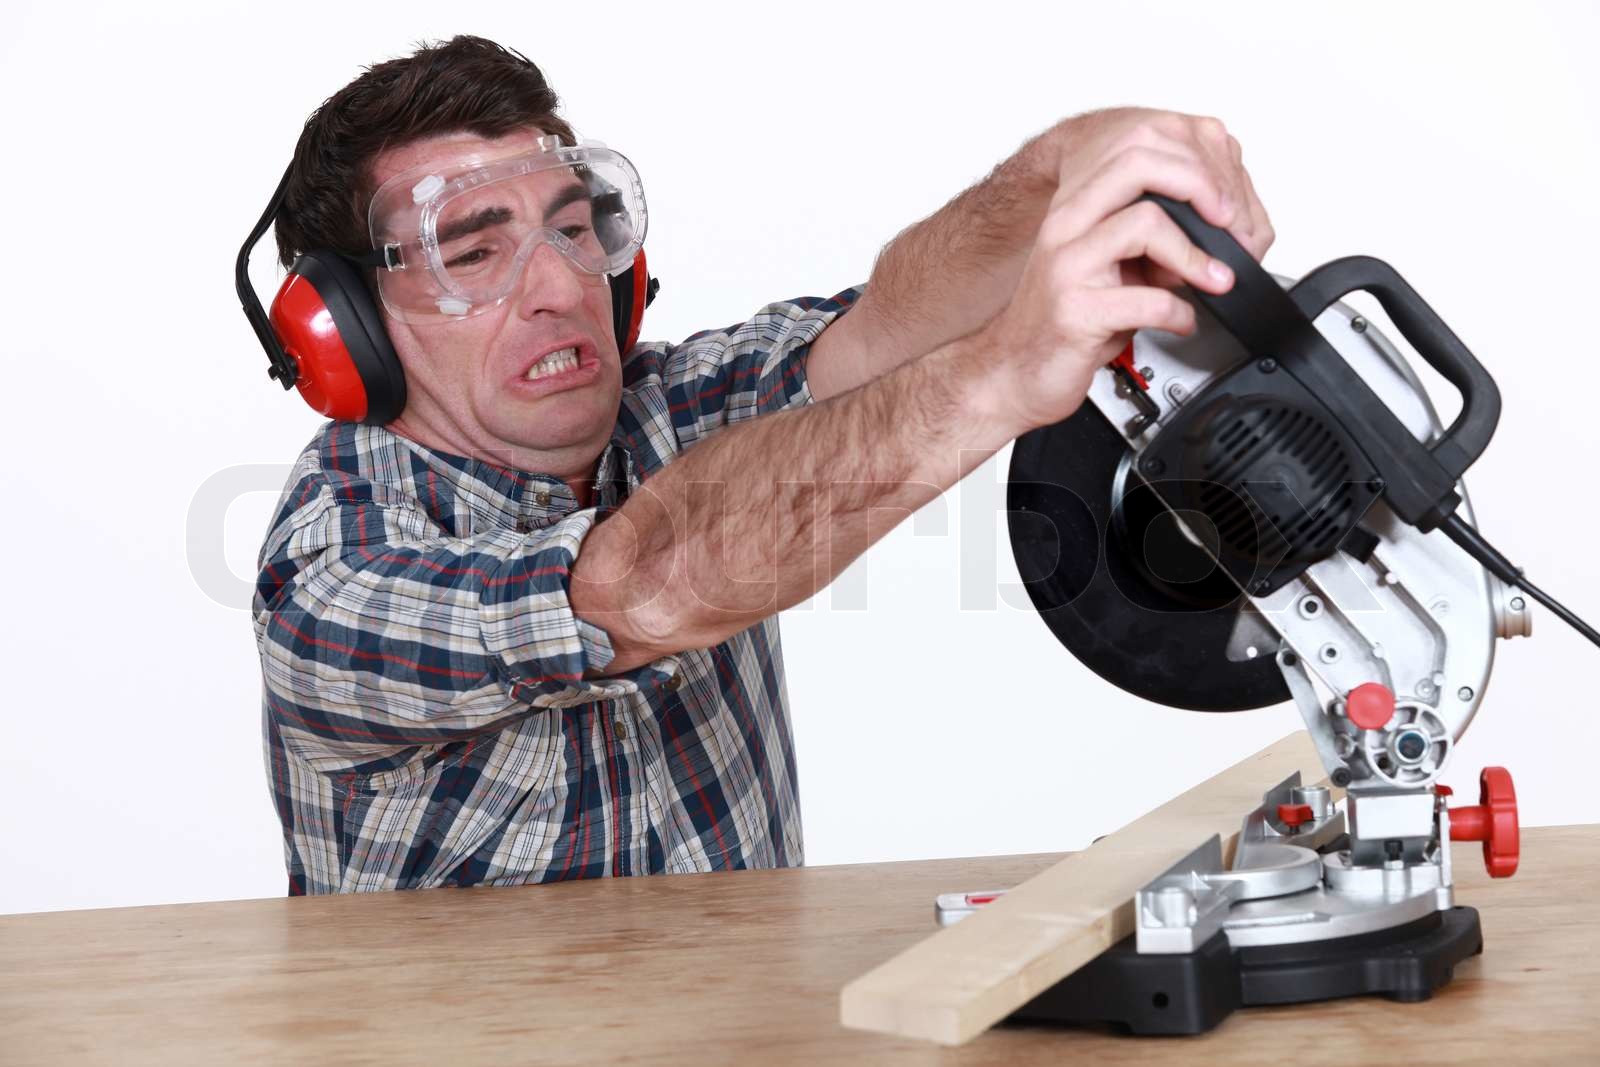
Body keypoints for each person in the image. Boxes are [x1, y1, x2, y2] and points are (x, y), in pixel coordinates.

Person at [251, 35, 1273, 895]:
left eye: (571, 228)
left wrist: (1062, 173)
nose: (558, 284)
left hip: (749, 1027)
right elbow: (641, 585)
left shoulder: (665, 411)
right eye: (474, 254)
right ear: (344, 332)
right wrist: (1002, 373)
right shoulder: (327, 570)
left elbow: (892, 328)